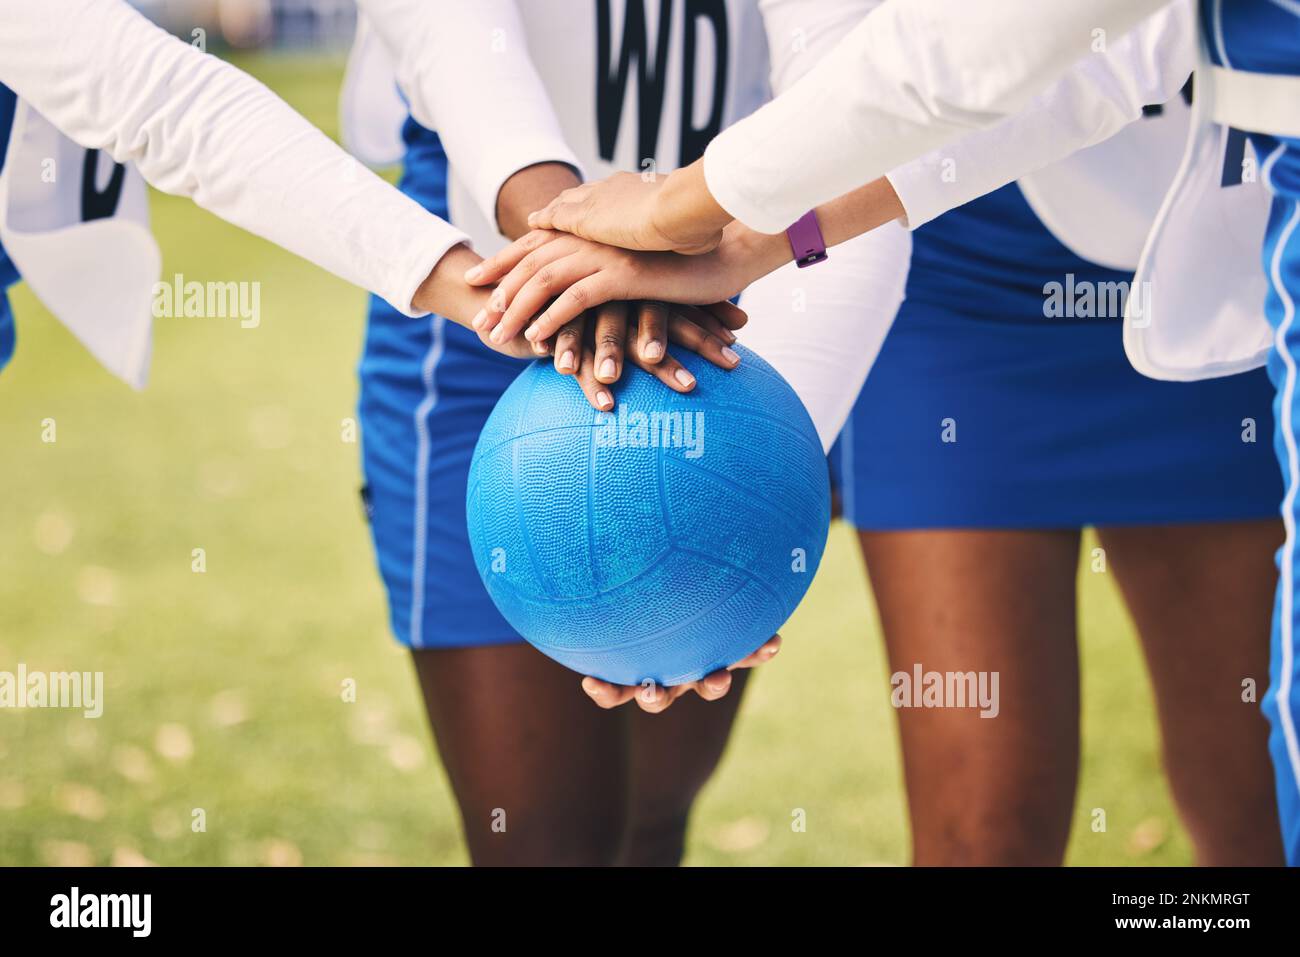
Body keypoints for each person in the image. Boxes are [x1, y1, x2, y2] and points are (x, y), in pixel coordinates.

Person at [472, 0, 1300, 863]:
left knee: (1255, 814)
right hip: (941, 246)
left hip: (1219, 243)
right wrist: (728, 512)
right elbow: (1044, 66)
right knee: (981, 833)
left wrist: (688, 207)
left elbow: (1073, 45)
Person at [345, 0, 792, 866]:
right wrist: (577, 236)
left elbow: (846, 70)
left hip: (721, 294)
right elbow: (452, 31)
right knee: (545, 845)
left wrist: (670, 246)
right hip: (489, 283)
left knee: (657, 814)